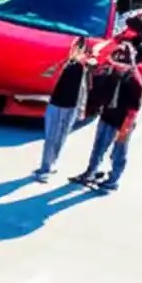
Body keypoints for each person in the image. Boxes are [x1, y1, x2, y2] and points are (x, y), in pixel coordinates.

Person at [71, 43, 142, 192]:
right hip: (107, 116)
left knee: (118, 152)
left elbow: (133, 111)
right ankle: (90, 172)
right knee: (98, 148)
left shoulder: (135, 82)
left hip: (122, 122)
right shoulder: (112, 73)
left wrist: (124, 130)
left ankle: (114, 179)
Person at [34, 36, 93, 182]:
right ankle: (47, 166)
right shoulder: (64, 64)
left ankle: (48, 167)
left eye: (80, 49)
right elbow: (46, 76)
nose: (76, 51)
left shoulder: (81, 68)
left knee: (60, 136)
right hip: (55, 104)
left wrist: (81, 108)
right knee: (51, 137)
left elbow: (84, 89)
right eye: (74, 48)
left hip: (69, 106)